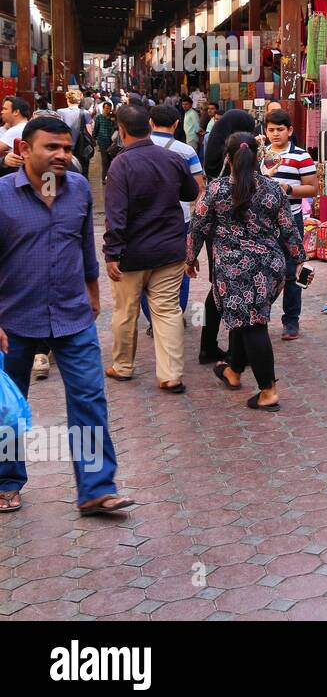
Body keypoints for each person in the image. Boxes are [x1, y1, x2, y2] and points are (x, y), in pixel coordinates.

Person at [0, 117, 134, 516]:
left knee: (89, 399)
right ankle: (7, 480)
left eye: (66, 147)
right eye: (51, 148)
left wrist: (94, 293)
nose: (61, 155)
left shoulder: (77, 189)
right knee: (10, 405)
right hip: (13, 320)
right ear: (24, 150)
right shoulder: (3, 196)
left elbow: (84, 245)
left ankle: (95, 488)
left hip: (72, 315)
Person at [188, 131, 306, 412]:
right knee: (245, 318)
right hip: (271, 267)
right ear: (258, 157)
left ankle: (268, 391)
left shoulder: (216, 190)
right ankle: (233, 371)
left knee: (253, 324)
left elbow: (198, 226)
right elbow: (289, 228)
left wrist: (190, 257)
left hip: (234, 271)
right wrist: (299, 259)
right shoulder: (273, 189)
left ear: (228, 158)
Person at [103, 104, 197, 393]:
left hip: (132, 253)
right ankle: (171, 375)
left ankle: (122, 366)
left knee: (125, 311)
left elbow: (116, 214)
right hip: (169, 249)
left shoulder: (121, 163)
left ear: (121, 130)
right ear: (149, 124)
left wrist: (111, 252)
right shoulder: (172, 157)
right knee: (168, 311)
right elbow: (191, 192)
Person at [197, 109, 256, 364]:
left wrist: (190, 257)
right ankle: (234, 353)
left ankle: (208, 345)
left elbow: (199, 223)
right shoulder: (241, 172)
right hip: (242, 245)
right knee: (236, 294)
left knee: (218, 290)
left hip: (218, 240)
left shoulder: (213, 163)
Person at [139, 104, 206, 324]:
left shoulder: (136, 148)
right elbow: (199, 189)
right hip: (179, 219)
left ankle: (153, 319)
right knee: (179, 266)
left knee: (144, 268)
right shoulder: (186, 151)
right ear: (177, 124)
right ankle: (176, 313)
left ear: (150, 122)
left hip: (143, 219)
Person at [261, 108, 317, 340]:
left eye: (280, 130)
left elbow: (313, 188)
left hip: (292, 218)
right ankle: (260, 316)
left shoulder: (301, 156)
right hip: (263, 221)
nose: (275, 134)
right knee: (263, 270)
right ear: (265, 131)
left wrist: (288, 189)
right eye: (271, 130)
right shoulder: (260, 155)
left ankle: (291, 321)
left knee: (293, 269)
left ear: (290, 130)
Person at [0, 95, 31, 178]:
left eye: (5, 109)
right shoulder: (26, 126)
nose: (2, 112)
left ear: (16, 112)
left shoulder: (16, 129)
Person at [92, 101, 116, 182]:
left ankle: (110, 176)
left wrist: (114, 121)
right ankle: (104, 178)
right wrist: (93, 138)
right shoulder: (99, 117)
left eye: (109, 109)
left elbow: (117, 128)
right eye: (106, 108)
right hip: (102, 142)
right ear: (103, 108)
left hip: (112, 143)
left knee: (112, 160)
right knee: (105, 160)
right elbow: (96, 129)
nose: (107, 110)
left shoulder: (113, 118)